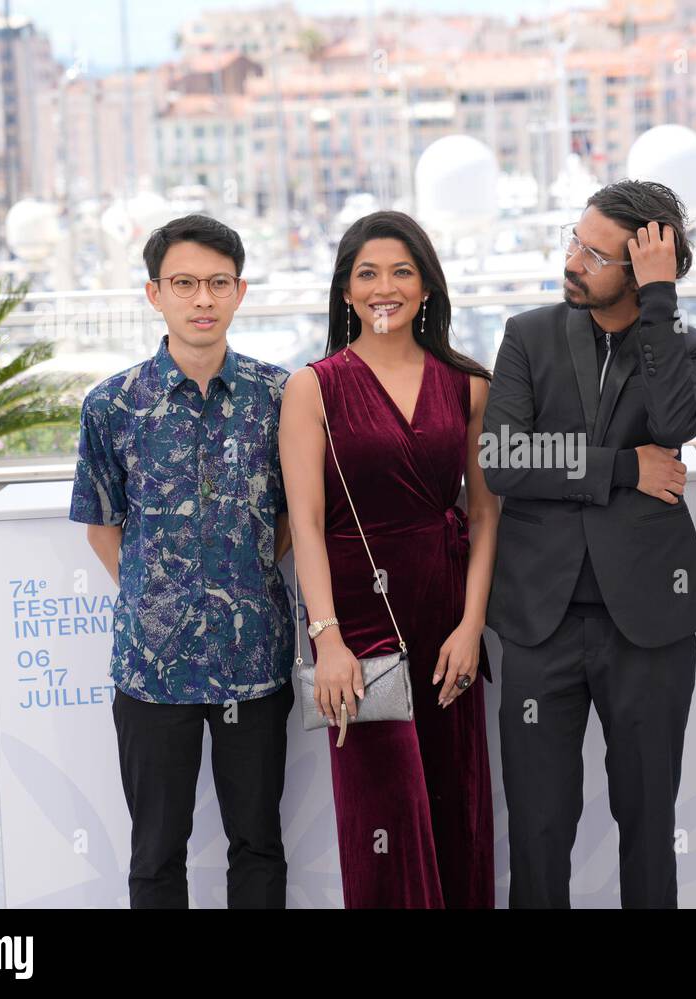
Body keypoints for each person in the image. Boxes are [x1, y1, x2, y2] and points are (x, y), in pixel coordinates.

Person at [483, 180, 696, 908]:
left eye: (594, 253)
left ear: (646, 270)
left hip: (649, 623)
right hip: (539, 621)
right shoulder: (528, 335)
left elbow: (673, 421)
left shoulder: (694, 349)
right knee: (539, 824)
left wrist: (659, 303)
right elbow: (504, 460)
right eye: (574, 240)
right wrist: (624, 467)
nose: (573, 259)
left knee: (650, 822)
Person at [69, 214, 295, 908]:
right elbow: (102, 525)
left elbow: (294, 518)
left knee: (257, 843)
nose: (203, 299)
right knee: (156, 850)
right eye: (185, 284)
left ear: (240, 291)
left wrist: (241, 576)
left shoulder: (279, 396)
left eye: (217, 284)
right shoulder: (113, 405)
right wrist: (160, 600)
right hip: (150, 668)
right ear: (154, 293)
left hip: (253, 663)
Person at [278, 210, 498, 908]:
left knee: (455, 811)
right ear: (345, 291)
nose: (385, 287)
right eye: (366, 273)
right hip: (360, 631)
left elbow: (487, 513)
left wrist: (471, 627)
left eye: (401, 271)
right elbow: (306, 525)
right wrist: (327, 639)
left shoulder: (467, 385)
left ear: (426, 286)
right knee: (385, 825)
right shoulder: (313, 387)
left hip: (446, 622)